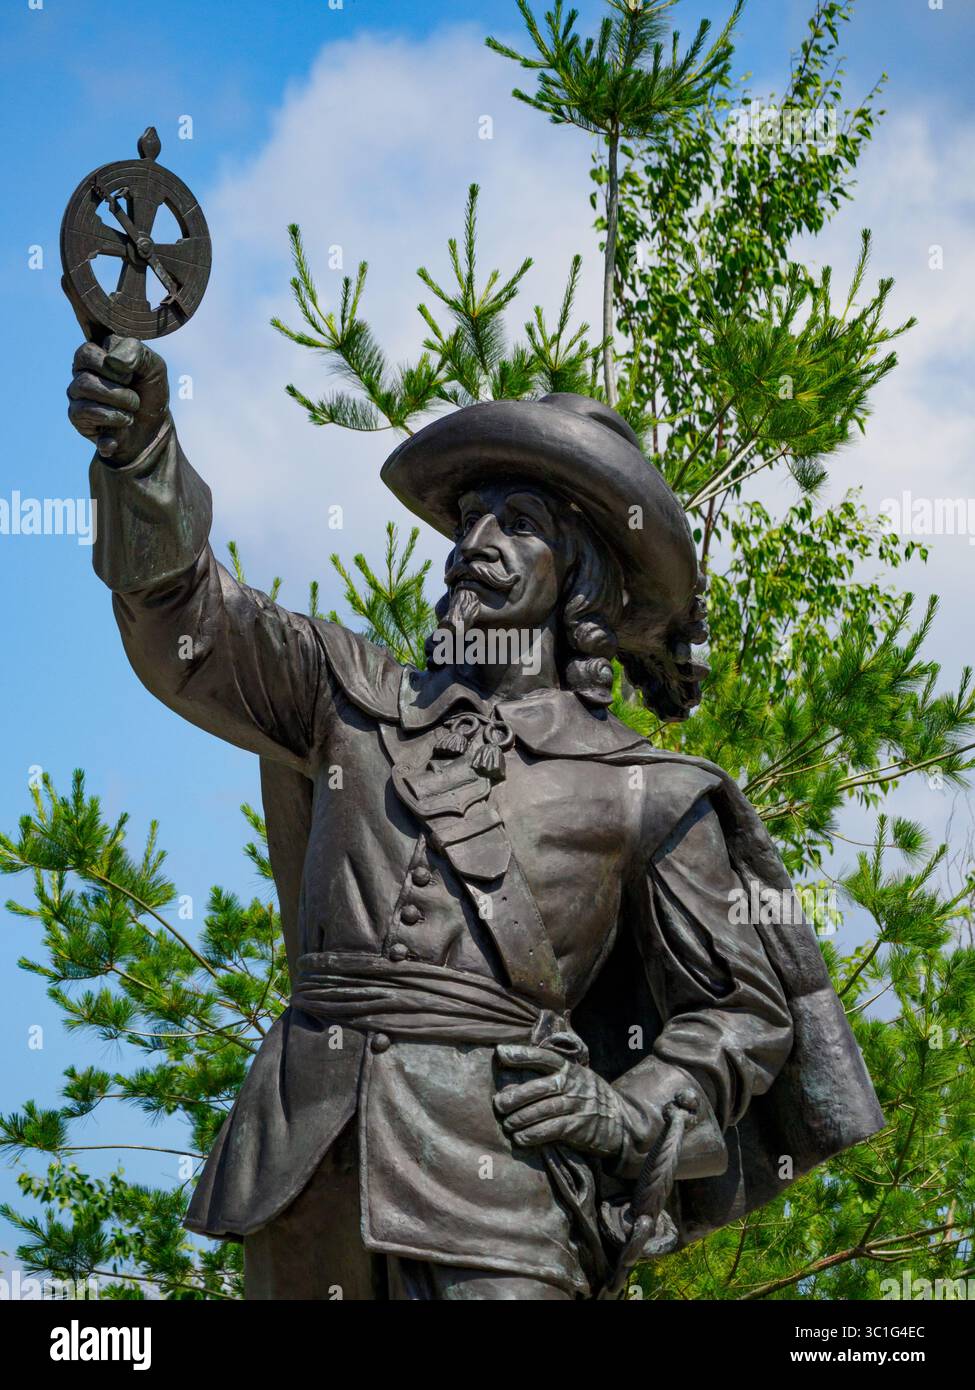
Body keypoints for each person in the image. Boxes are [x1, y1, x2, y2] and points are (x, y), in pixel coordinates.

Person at [67, 334, 883, 1300]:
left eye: (517, 524)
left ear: (579, 574)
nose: (473, 547)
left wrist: (626, 1113)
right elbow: (186, 618)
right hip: (304, 1179)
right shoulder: (349, 698)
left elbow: (739, 1014)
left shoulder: (650, 789)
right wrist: (141, 455)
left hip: (504, 1201)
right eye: (469, 521)